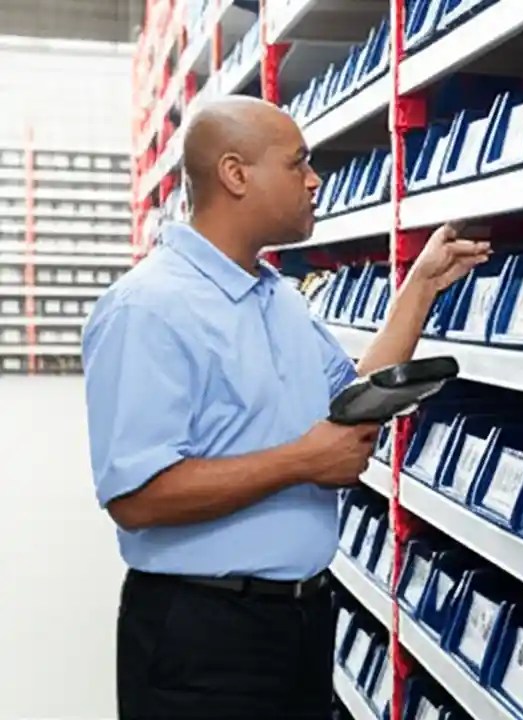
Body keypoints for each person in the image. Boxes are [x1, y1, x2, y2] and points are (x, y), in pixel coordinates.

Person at [82, 96, 490, 719]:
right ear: (235, 174)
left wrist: (422, 285)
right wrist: (302, 461)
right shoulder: (148, 308)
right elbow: (136, 497)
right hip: (203, 637)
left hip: (299, 624)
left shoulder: (276, 297)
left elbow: (351, 392)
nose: (314, 179)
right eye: (298, 162)